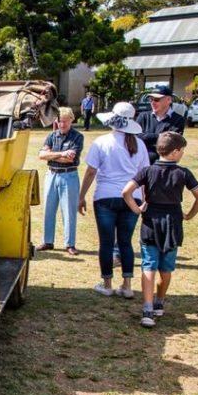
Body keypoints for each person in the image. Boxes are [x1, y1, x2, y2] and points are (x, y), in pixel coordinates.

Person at [122, 132, 198, 328]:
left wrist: (137, 208)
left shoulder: (147, 171)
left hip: (150, 222)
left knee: (148, 265)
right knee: (166, 268)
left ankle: (147, 308)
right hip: (173, 222)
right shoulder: (183, 173)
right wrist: (190, 214)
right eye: (182, 150)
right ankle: (159, 301)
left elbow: (126, 191)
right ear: (175, 152)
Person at [78, 102, 150, 298]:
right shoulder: (140, 144)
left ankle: (107, 283)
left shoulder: (102, 142)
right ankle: (127, 285)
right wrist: (144, 201)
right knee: (126, 242)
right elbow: (144, 175)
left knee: (107, 242)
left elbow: (91, 171)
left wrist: (81, 196)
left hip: (105, 196)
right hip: (131, 197)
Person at [37, 107, 84, 255]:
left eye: (64, 121)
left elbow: (69, 160)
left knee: (68, 211)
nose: (61, 124)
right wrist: (61, 153)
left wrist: (52, 155)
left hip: (68, 176)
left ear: (71, 120)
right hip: (51, 175)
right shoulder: (52, 135)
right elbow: (41, 155)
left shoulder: (77, 137)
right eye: (59, 121)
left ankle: (70, 243)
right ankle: (48, 241)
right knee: (48, 209)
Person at [136, 85, 186, 164]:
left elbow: (171, 144)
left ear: (169, 99)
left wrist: (146, 136)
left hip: (164, 165)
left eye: (156, 99)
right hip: (141, 163)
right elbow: (136, 137)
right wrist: (160, 136)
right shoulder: (143, 116)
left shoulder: (178, 120)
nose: (152, 102)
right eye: (151, 99)